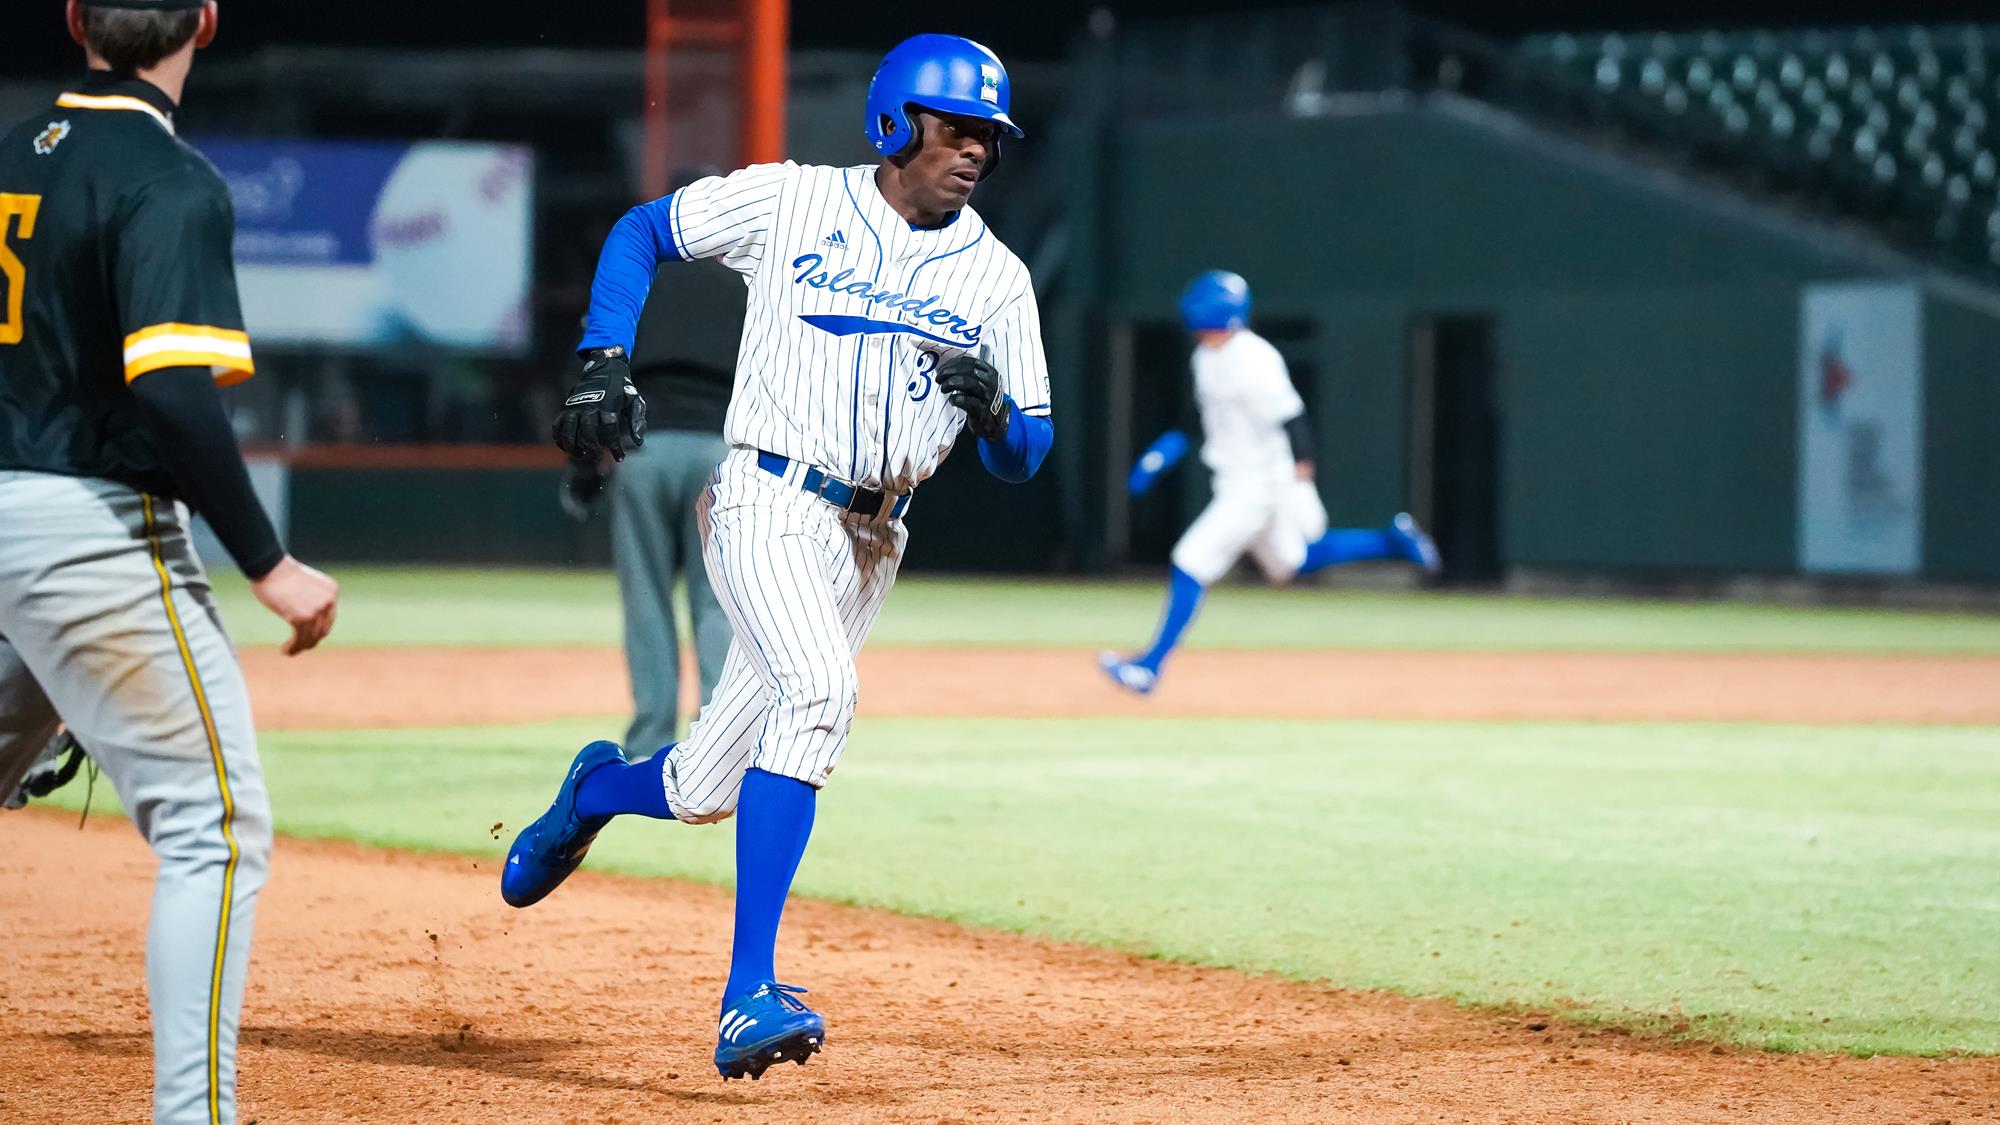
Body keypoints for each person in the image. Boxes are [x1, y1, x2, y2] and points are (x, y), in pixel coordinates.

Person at [504, 34, 1054, 1082]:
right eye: (955, 127)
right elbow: (642, 231)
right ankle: (745, 994)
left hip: (871, 536)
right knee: (819, 693)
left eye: (989, 133)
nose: (976, 147)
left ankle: (589, 795)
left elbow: (1030, 450)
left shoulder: (997, 277)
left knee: (705, 784)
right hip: (765, 497)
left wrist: (995, 421)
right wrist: (602, 354)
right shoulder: (794, 201)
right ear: (895, 123)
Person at [0, 3, 341, 1123]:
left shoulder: (10, 155)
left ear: (75, 21)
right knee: (217, 830)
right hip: (86, 531)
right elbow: (172, 391)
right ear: (204, 20)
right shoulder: (166, 175)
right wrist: (266, 559)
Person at [1098, 270, 1438, 696]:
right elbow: (1196, 420)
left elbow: (1292, 417)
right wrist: (1161, 454)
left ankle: (1149, 667)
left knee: (1190, 559)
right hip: (1238, 480)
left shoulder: (1255, 359)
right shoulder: (1205, 357)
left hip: (1259, 483)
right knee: (1290, 563)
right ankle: (1390, 541)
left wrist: (1302, 473)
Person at [560, 168, 740, 753]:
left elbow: (590, 376)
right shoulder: (745, 284)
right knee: (718, 606)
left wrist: (584, 471)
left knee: (646, 604)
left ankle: (649, 742)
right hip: (720, 453)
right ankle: (716, 744)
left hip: (644, 451)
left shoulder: (634, 280)